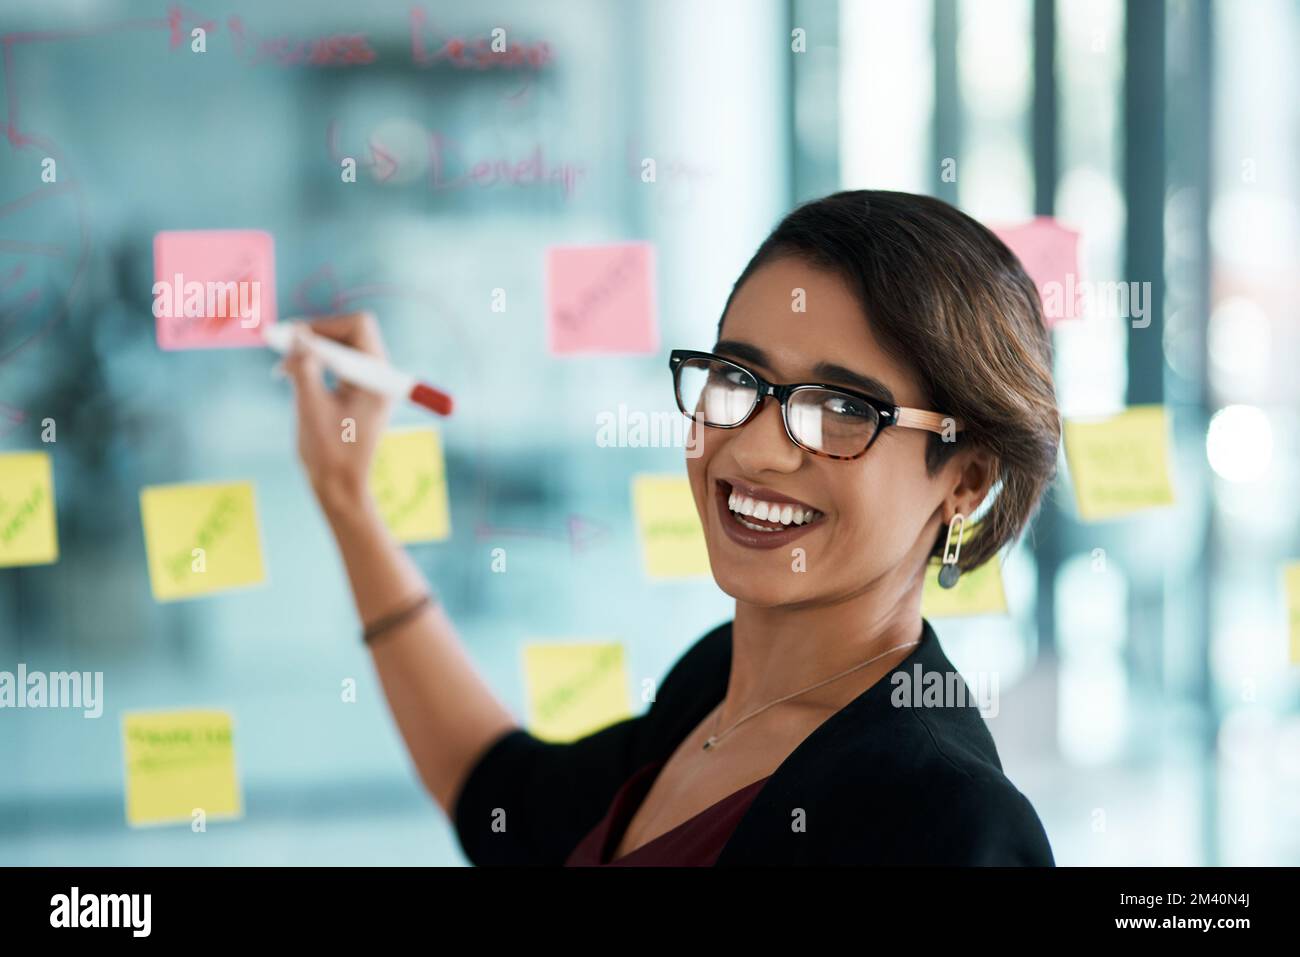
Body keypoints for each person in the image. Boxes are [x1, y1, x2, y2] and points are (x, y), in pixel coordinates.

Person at [281, 189, 1060, 866]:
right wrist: (346, 496)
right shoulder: (713, 687)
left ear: (965, 479)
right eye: (736, 378)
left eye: (840, 410)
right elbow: (504, 803)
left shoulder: (951, 826)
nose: (754, 449)